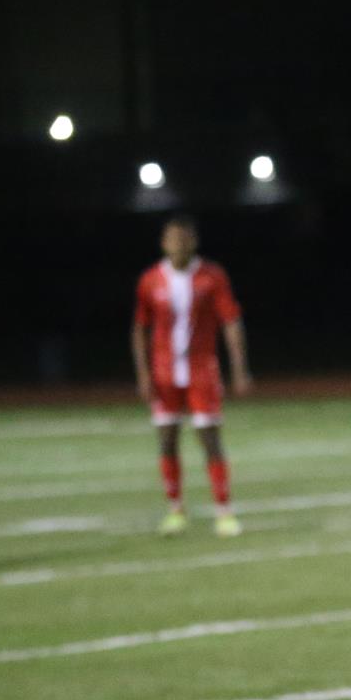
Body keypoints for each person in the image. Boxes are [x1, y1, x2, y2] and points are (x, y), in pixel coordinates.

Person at [131, 215, 251, 537]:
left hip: (201, 370)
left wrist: (239, 368)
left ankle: (224, 511)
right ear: (163, 243)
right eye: (173, 239)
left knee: (210, 439)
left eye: (184, 239)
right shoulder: (151, 280)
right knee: (167, 439)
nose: (179, 245)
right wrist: (143, 374)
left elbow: (231, 321)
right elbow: (140, 328)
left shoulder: (211, 277)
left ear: (194, 242)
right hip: (164, 372)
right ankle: (175, 510)